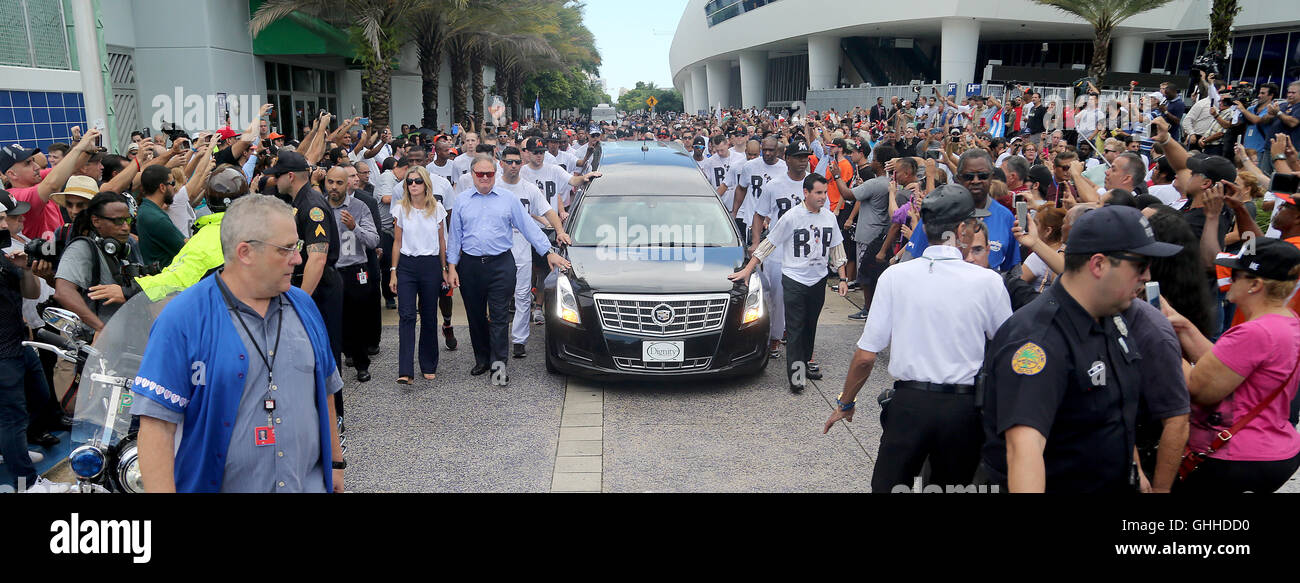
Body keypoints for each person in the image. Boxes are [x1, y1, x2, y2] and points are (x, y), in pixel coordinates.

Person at [132, 195, 344, 493]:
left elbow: (326, 390)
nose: (298, 258)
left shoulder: (304, 306)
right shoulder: (182, 319)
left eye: (296, 247)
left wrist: (335, 464)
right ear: (245, 252)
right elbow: (156, 426)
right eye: (286, 249)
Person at [979, 205, 1181, 492]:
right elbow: (1024, 453)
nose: (1147, 276)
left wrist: (1134, 467)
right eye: (1139, 264)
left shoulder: (1109, 317)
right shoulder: (1038, 339)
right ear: (1098, 264)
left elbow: (1113, 408)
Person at [825, 184, 1011, 492]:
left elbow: (865, 355)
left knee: (887, 486)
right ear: (962, 230)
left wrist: (846, 402)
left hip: (909, 404)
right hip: (962, 409)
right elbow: (1006, 349)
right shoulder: (988, 282)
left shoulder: (896, 277)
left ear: (924, 225)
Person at [1162, 238, 1300, 493]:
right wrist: (1184, 327)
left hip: (1235, 456)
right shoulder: (1286, 321)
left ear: (1256, 284)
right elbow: (1225, 365)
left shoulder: (1254, 332)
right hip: (1272, 448)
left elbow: (1199, 388)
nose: (1228, 277)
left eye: (1236, 274)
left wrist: (1161, 341)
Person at [446, 156, 571, 383]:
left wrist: (548, 251)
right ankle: (482, 359)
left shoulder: (508, 199)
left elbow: (528, 226)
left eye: (489, 174)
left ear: (495, 173)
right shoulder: (462, 200)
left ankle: (498, 366)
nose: (484, 178)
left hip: (501, 264)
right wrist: (451, 267)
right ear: (472, 175)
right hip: (471, 266)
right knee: (475, 316)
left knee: (500, 316)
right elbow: (455, 236)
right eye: (480, 174)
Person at [728, 173, 848, 392]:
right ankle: (797, 375)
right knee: (795, 327)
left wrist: (841, 277)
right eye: (818, 193)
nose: (823, 197)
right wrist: (748, 269)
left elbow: (836, 247)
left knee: (810, 326)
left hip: (818, 279)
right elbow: (769, 243)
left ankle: (804, 363)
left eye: (824, 192)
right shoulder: (792, 217)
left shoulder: (829, 217)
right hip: (795, 278)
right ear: (806, 193)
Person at [497, 146, 569, 358]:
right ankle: (498, 339)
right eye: (509, 161)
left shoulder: (529, 189)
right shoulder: (495, 187)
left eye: (517, 162)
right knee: (499, 297)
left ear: (522, 163)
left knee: (522, 295)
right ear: (501, 163)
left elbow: (548, 211)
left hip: (522, 246)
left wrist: (560, 231)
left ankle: (519, 340)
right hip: (498, 247)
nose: (513, 166)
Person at [904, 149, 1020, 272]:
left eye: (983, 176)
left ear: (991, 177)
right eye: (969, 176)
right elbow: (910, 261)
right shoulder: (937, 213)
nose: (976, 181)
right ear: (958, 178)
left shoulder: (1005, 217)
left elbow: (1013, 271)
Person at [750, 141, 813, 359]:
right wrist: (756, 242)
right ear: (787, 158)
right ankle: (775, 337)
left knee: (804, 298)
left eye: (805, 156)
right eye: (798, 156)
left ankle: (799, 339)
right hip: (778, 249)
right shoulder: (774, 185)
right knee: (776, 296)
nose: (803, 160)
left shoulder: (814, 184)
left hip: (805, 250)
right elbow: (759, 214)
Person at [0, 190, 45, 490]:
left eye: (7, 217)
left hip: (17, 342)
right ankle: (27, 484)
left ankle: (12, 452)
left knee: (38, 395)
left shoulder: (8, 254)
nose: (7, 224)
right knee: (12, 416)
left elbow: (30, 293)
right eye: (2, 218)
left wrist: (25, 269)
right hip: (4, 352)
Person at [52, 192, 144, 331]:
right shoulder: (82, 247)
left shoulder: (123, 247)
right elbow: (63, 292)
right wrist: (100, 329)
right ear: (96, 221)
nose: (125, 227)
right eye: (118, 221)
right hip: (95, 346)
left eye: (128, 220)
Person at [390, 167, 448, 384]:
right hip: (406, 265)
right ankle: (405, 370)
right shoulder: (400, 209)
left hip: (430, 265)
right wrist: (393, 271)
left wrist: (444, 268)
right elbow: (397, 241)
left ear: (426, 184)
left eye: (417, 181)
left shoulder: (437, 208)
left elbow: (442, 241)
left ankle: (428, 363)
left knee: (429, 314)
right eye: (410, 182)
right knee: (406, 315)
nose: (413, 185)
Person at [324, 166, 379, 382]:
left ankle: (361, 364)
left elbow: (374, 241)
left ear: (347, 184)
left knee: (358, 320)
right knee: (331, 322)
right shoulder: (319, 207)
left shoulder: (359, 206)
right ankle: (333, 368)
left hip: (356, 270)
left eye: (339, 183)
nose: (334, 187)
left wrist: (354, 227)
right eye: (330, 182)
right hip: (330, 271)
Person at [136, 165, 186, 268]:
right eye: (172, 183)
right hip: (168, 278)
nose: (174, 187)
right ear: (162, 187)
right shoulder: (155, 218)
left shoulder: (147, 209)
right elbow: (187, 248)